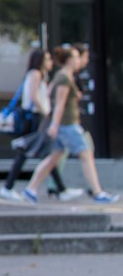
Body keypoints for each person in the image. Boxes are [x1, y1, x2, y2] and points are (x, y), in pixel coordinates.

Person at [21, 46, 119, 204]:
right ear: (69, 60)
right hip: (67, 124)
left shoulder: (62, 76)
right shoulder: (64, 78)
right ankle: (97, 192)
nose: (79, 60)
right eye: (76, 57)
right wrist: (54, 124)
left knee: (53, 158)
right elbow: (59, 104)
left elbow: (49, 94)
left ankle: (30, 189)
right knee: (86, 154)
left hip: (63, 124)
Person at [0, 49, 76, 201]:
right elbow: (34, 96)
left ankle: (60, 189)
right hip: (34, 117)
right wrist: (46, 112)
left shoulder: (40, 75)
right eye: (47, 59)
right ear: (40, 61)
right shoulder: (35, 74)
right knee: (32, 152)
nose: (50, 62)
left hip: (36, 116)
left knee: (46, 153)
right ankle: (8, 187)